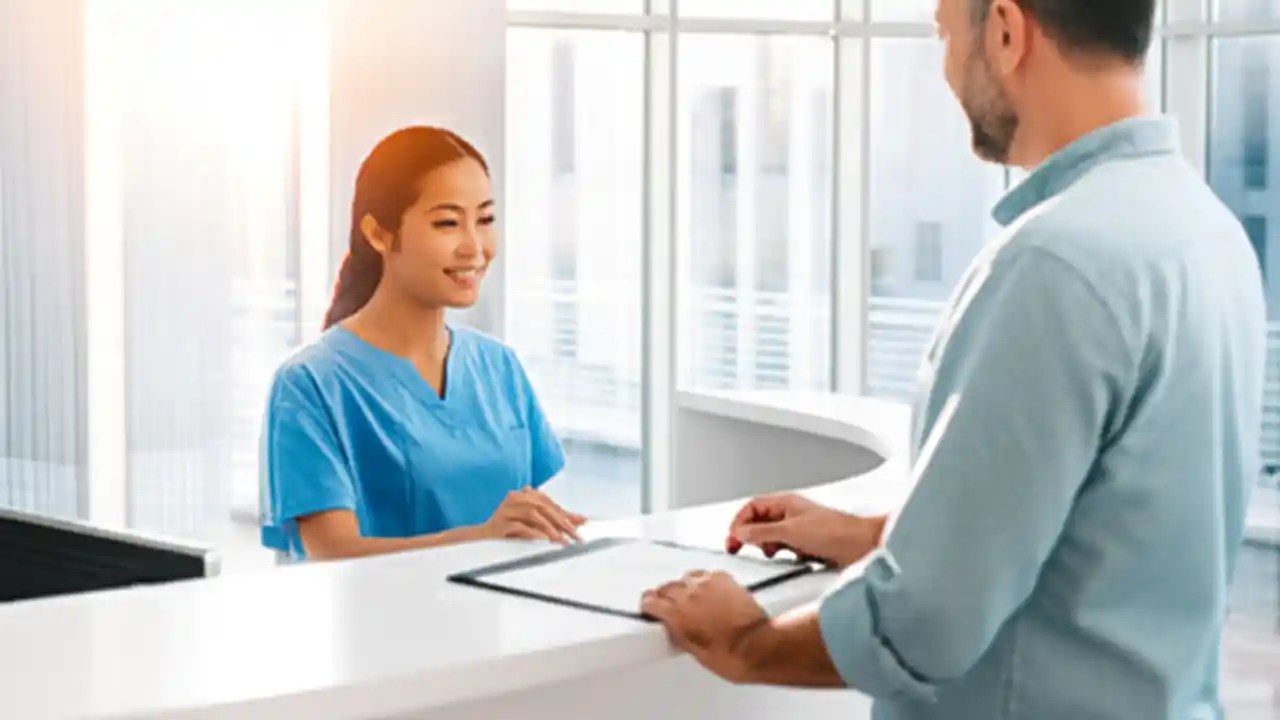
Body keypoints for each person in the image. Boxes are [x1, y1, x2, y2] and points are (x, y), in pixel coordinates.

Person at [642, 1, 1266, 718]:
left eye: (944, 35)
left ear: (1004, 30)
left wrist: (746, 642)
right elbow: (1113, 527)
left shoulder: (1055, 262)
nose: (944, 70)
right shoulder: (1205, 231)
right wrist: (875, 536)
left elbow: (927, 623)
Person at [260, 126, 585, 561]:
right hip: (385, 607)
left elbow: (525, 523)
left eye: (485, 220)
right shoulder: (309, 384)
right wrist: (483, 537)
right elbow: (332, 553)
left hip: (503, 604)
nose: (474, 248)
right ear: (379, 234)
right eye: (447, 223)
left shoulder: (499, 367)